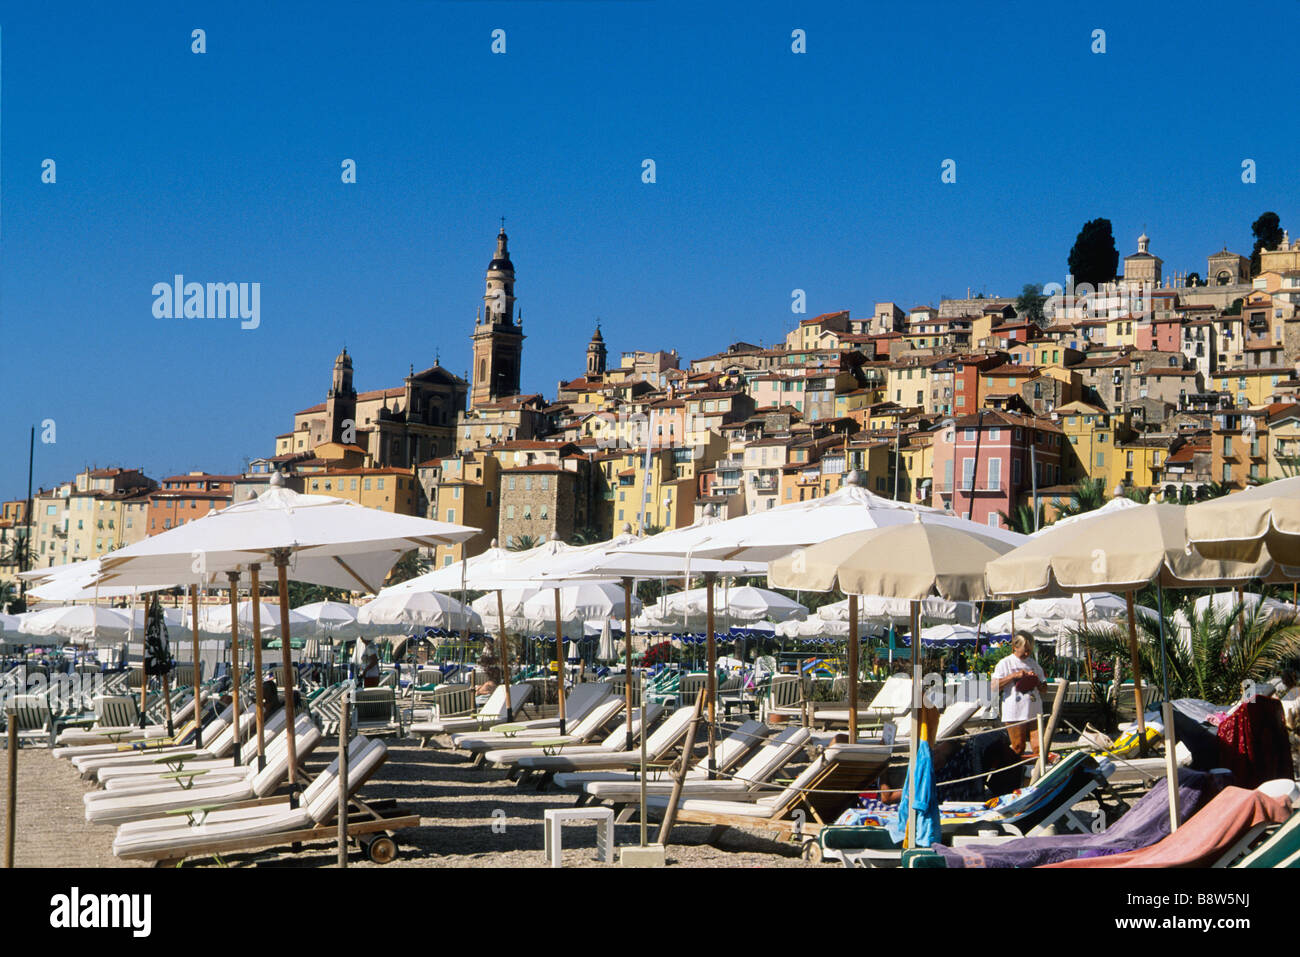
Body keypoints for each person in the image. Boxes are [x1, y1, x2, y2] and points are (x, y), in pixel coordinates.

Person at [992, 632, 1046, 756]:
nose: (1027, 654)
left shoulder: (1034, 664)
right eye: (1025, 650)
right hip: (1015, 711)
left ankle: (1036, 772)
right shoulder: (1005, 663)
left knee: (1040, 749)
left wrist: (1036, 681)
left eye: (1030, 651)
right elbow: (994, 686)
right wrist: (1013, 676)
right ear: (1015, 647)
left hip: (1034, 709)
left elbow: (1044, 689)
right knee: (1018, 747)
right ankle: (1015, 772)